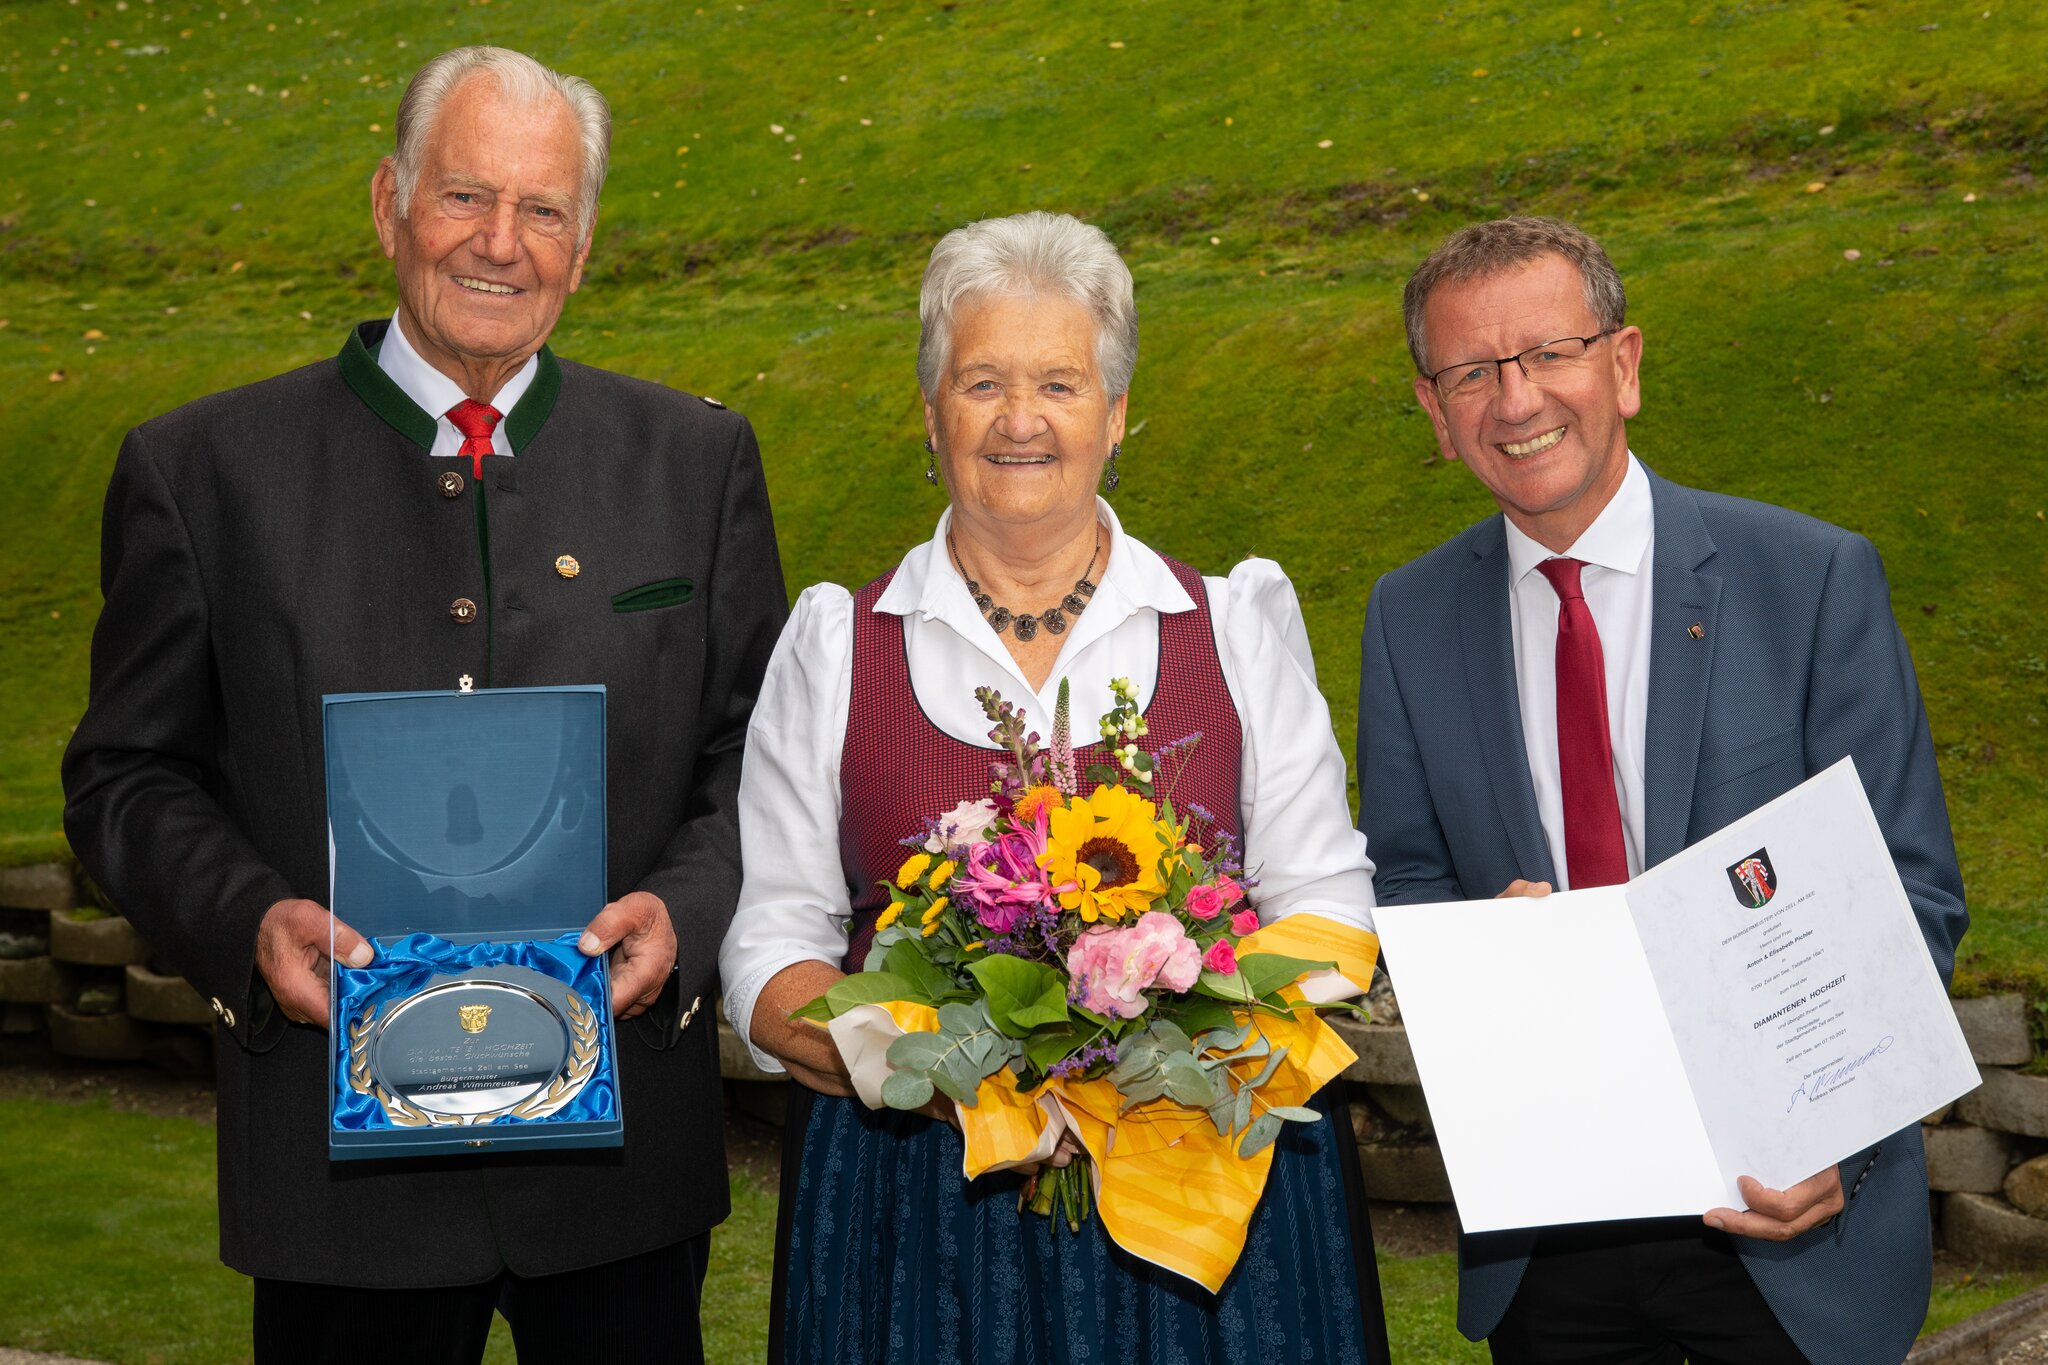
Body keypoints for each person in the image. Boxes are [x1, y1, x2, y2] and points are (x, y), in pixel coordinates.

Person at [61, 46, 785, 1365]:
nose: (499, 244)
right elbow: (123, 778)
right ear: (390, 201)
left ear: (585, 241)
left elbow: (762, 766)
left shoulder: (694, 462)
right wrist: (247, 921)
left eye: (543, 210)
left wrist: (686, 911)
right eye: (464, 197)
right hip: (338, 1190)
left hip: (620, 1174)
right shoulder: (205, 471)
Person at [718, 210, 1391, 1364]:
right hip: (919, 1211)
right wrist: (913, 1063)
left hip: (1203, 1203)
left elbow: (1328, 911)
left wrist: (1165, 1051)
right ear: (930, 417)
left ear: (1116, 415)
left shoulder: (1228, 624)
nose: (1020, 419)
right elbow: (773, 936)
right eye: (980, 382)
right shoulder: (837, 643)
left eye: (1060, 384)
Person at [1356, 216, 1965, 1365]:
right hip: (1551, 1248)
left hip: (1786, 1224)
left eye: (1548, 352)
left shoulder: (1808, 579)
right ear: (1435, 416)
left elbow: (1909, 894)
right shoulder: (1408, 616)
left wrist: (1837, 1136)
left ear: (1622, 366)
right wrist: (1483, 961)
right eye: (1471, 373)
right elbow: (1409, 875)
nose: (1516, 398)